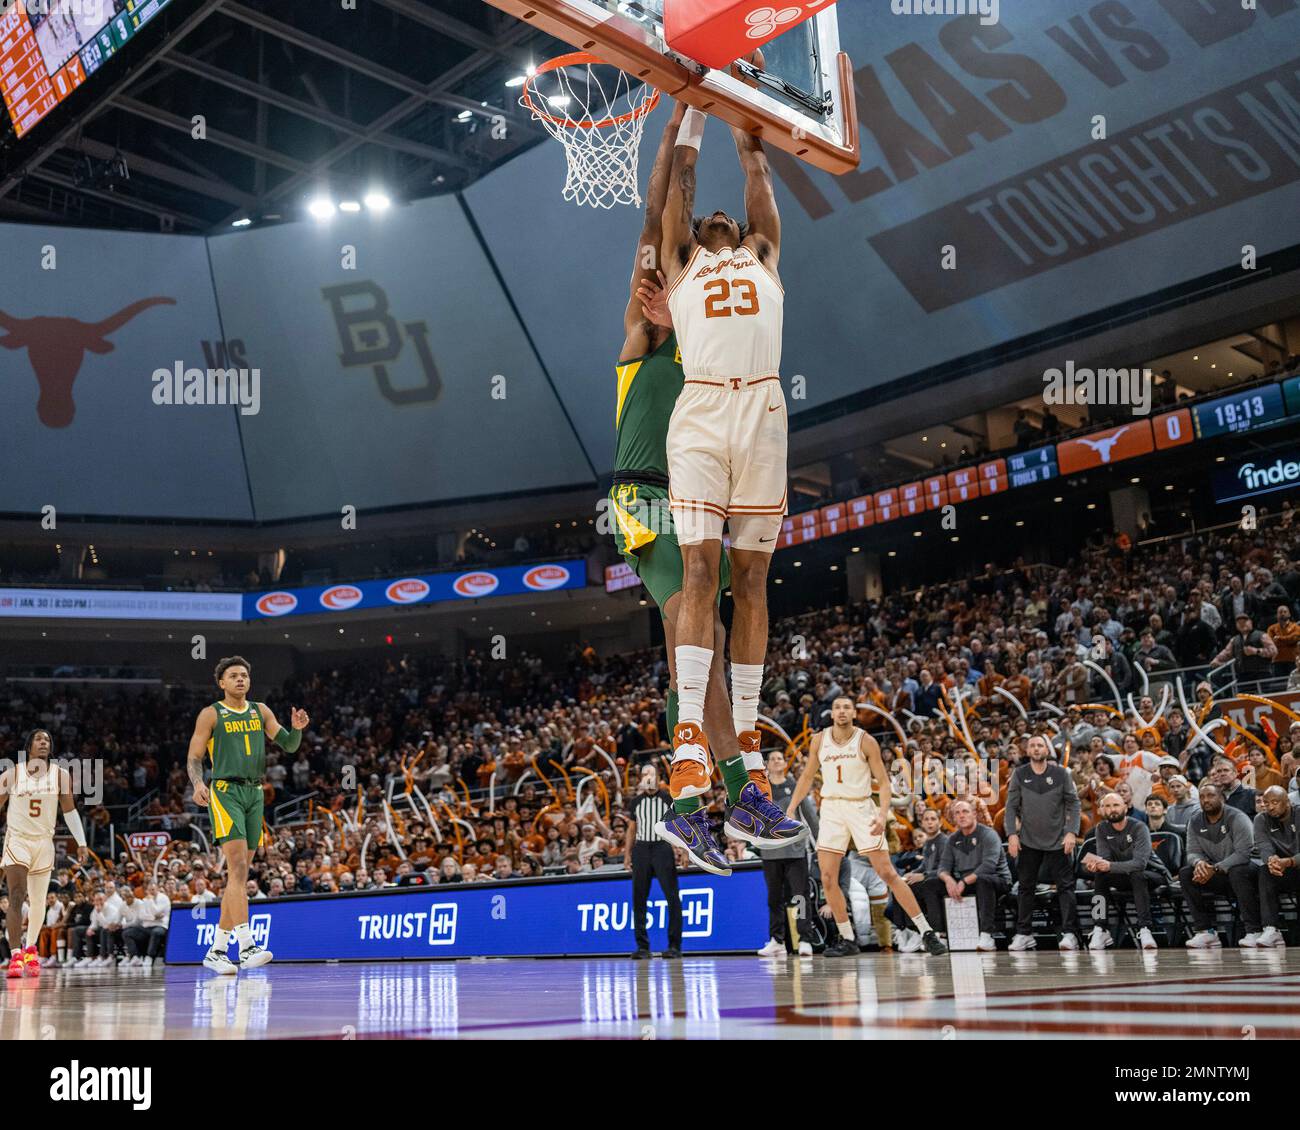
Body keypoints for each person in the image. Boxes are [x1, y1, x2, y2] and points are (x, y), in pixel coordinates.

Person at [611, 102, 789, 874]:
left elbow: (758, 208)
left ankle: (715, 796)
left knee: (710, 627)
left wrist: (749, 148)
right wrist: (683, 124)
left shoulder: (721, 315)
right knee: (694, 613)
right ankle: (728, 787)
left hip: (728, 450)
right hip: (645, 488)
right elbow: (660, 213)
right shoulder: (652, 325)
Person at [657, 103, 791, 838]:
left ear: (739, 230)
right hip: (704, 411)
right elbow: (680, 178)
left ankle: (746, 742)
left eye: (725, 216)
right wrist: (691, 111)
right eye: (703, 214)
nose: (712, 216)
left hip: (763, 409)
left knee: (754, 579)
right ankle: (686, 746)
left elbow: (758, 168)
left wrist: (747, 129)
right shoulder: (683, 262)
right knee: (698, 572)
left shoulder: (763, 253)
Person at [786, 697, 947, 956]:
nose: (841, 711)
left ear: (853, 713)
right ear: (832, 713)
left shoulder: (866, 741)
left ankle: (926, 931)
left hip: (861, 807)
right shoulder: (819, 740)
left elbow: (883, 783)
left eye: (846, 707)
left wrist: (882, 815)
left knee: (887, 873)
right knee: (828, 877)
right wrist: (792, 808)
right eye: (837, 707)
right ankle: (848, 939)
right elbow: (806, 776)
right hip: (831, 808)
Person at [187, 655, 309, 974]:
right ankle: (246, 945)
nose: (241, 679)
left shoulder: (260, 710)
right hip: (225, 791)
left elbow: (289, 745)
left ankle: (216, 950)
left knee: (238, 876)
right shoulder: (211, 714)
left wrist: (296, 730)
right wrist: (198, 783)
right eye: (234, 675)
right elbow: (195, 756)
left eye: (244, 675)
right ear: (222, 683)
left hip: (255, 792)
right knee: (239, 868)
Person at [0, 728, 89, 978]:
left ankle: (30, 949)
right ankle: (15, 953)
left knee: (39, 901)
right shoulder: (12, 773)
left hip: (43, 842)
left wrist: (81, 842)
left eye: (47, 739)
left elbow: (70, 811)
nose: (44, 742)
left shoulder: (60, 775)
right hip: (18, 839)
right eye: (39, 739)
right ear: (29, 746)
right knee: (16, 894)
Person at [1004, 733, 1082, 951]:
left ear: (1047, 750)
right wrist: (1011, 834)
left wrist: (1071, 832)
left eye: (1040, 745)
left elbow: (1074, 804)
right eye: (1032, 746)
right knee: (1025, 887)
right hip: (1028, 841)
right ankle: (1024, 933)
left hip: (1058, 840)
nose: (1037, 748)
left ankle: (1069, 933)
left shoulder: (1061, 773)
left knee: (1066, 887)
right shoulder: (1019, 774)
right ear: (1027, 751)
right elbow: (1010, 807)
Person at [1180, 782, 1263, 948]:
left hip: (1250, 870)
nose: (1206, 800)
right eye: (1202, 797)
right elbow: (1192, 852)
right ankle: (1206, 932)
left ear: (1222, 798)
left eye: (1210, 795)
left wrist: (1215, 868)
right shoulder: (1195, 821)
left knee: (1237, 871)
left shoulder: (1237, 817)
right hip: (1218, 873)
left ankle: (1254, 930)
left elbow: (1243, 853)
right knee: (1186, 874)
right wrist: (1199, 863)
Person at [756, 748, 818, 956]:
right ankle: (777, 940)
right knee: (774, 898)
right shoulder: (760, 790)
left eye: (779, 758)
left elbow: (810, 816)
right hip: (770, 852)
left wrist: (820, 843)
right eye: (772, 759)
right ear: (767, 764)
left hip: (795, 852)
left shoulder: (795, 786)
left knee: (800, 896)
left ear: (784, 763)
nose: (775, 761)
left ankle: (805, 938)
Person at [929, 799, 1010, 952]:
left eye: (965, 811)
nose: (961, 816)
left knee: (983, 880)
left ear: (974, 814)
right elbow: (942, 867)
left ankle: (987, 935)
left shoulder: (988, 834)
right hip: (967, 882)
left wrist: (964, 882)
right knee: (931, 884)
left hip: (996, 880)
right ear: (953, 818)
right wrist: (948, 880)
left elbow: (989, 866)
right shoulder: (953, 839)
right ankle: (941, 935)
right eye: (957, 813)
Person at [1080, 791, 1158, 950]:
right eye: (1107, 806)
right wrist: (1096, 864)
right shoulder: (1101, 828)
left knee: (1137, 875)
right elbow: (1105, 858)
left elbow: (1140, 863)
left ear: (1126, 807)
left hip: (1151, 873)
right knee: (1100, 876)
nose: (1112, 809)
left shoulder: (1139, 827)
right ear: (1101, 810)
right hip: (1122, 875)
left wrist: (1108, 866)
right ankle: (1100, 928)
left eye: (1116, 805)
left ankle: (1145, 928)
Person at [623, 765, 682, 960]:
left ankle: (674, 946)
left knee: (672, 897)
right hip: (641, 849)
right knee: (639, 898)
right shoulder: (636, 802)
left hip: (662, 848)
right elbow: (631, 829)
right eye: (645, 774)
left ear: (658, 777)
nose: (648, 777)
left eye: (651, 774)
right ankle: (642, 947)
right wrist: (627, 854)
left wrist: (683, 850)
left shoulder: (667, 798)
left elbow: (677, 825)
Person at [1253, 785, 1299, 948]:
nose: (1270, 807)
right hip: (1283, 868)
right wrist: (1271, 861)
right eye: (1266, 803)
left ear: (1287, 802)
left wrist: (1289, 861)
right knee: (1264, 871)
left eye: (1275, 802)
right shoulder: (1261, 819)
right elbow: (1264, 846)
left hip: (1295, 864)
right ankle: (1271, 929)